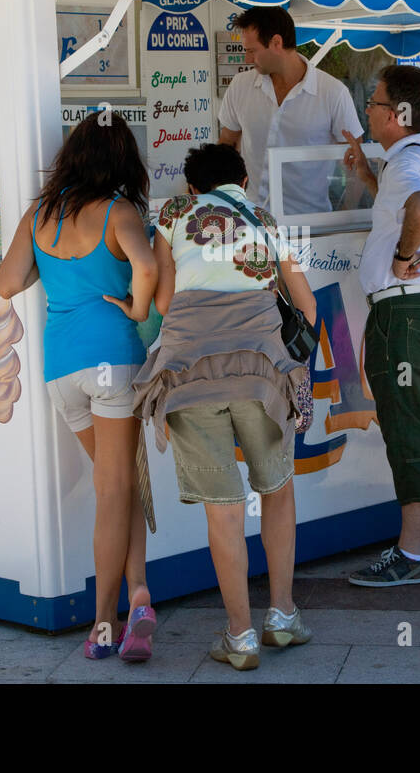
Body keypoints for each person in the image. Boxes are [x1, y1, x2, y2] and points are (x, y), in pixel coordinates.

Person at [132, 143, 317, 669]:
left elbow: (164, 302)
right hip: (261, 374)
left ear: (193, 188)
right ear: (242, 179)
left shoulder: (171, 215)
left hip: (190, 377)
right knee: (277, 492)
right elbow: (305, 304)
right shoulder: (266, 220)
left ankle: (240, 637)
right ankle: (281, 615)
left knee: (225, 510)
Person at [0, 112, 158, 662]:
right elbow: (146, 264)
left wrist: (54, 264)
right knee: (115, 488)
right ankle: (103, 624)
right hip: (114, 361)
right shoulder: (120, 211)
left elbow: (8, 282)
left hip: (62, 370)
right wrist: (134, 305)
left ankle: (139, 595)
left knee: (117, 484)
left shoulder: (41, 213)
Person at [340, 65, 420, 587]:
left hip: (403, 313)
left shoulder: (410, 163)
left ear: (398, 115)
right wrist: (370, 179)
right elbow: (409, 203)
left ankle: (412, 554)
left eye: (374, 100)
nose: (367, 107)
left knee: (408, 426)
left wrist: (400, 256)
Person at [218, 5, 364, 216]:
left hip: (311, 225)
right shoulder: (241, 85)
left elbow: (357, 163)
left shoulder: (333, 92)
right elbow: (226, 146)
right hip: (251, 220)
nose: (247, 59)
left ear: (277, 43)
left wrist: (344, 216)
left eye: (252, 51)